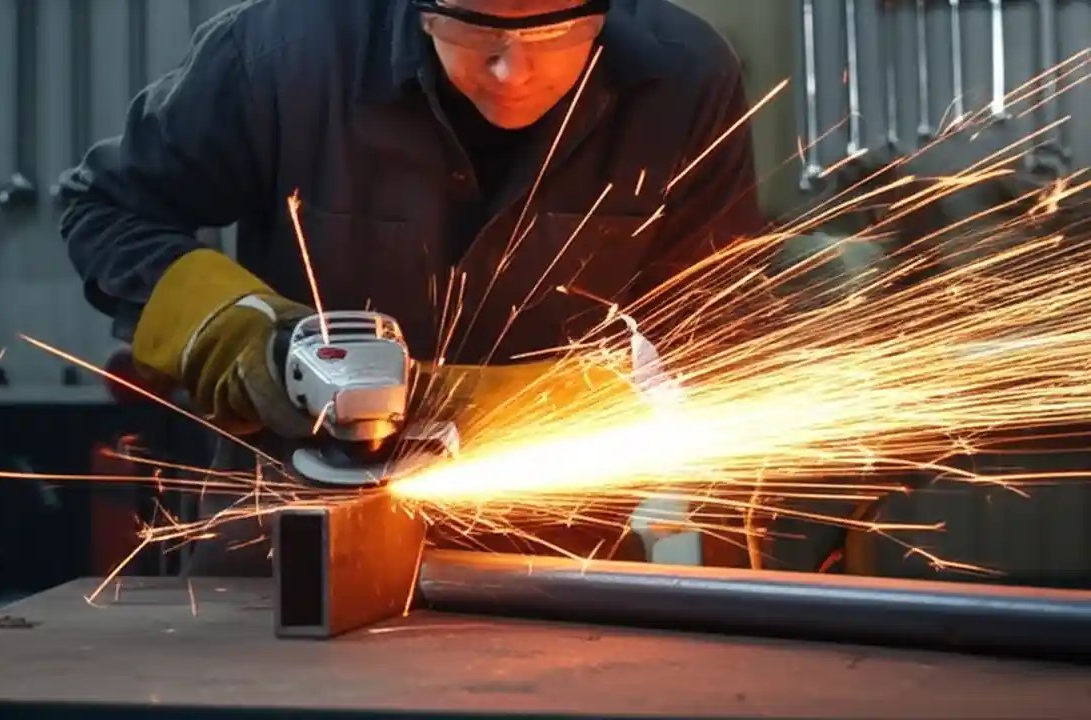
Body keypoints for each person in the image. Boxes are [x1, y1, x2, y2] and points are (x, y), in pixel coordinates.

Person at [58, 0, 765, 574]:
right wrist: (230, 326)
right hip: (285, 551)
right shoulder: (283, 56)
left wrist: (620, 406)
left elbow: (719, 331)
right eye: (473, 27)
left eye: (554, 31)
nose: (510, 69)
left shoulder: (687, 80)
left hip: (556, 557)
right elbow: (107, 211)